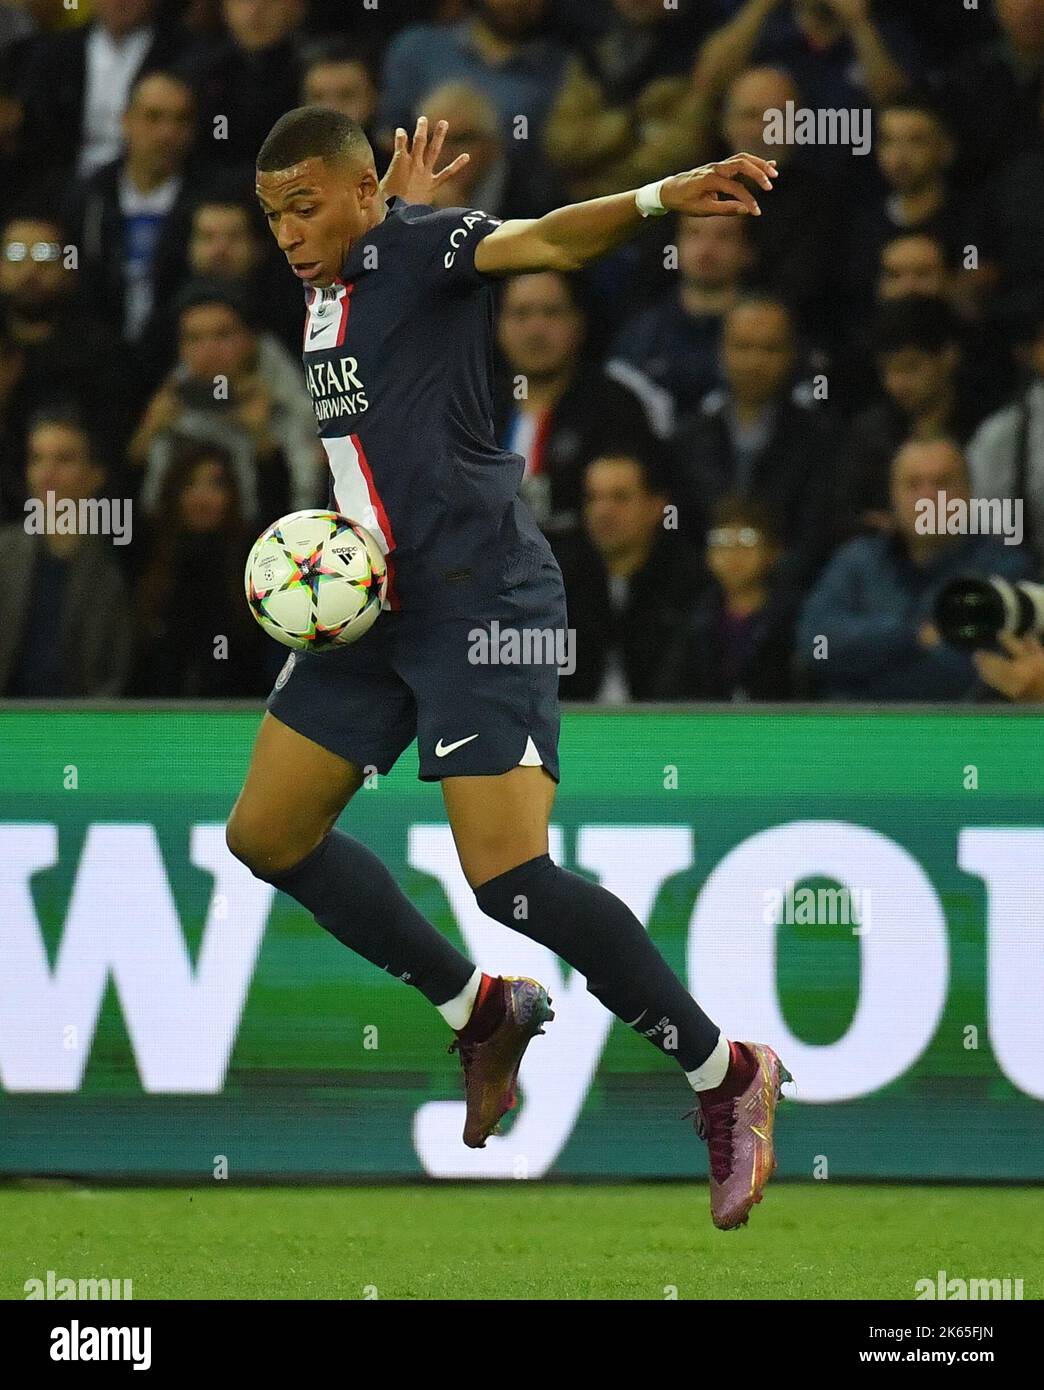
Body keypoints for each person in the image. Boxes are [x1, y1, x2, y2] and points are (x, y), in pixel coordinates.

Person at [231, 105, 790, 1231]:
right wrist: (394, 207)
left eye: (306, 206)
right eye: (273, 213)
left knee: (512, 879)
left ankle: (722, 1070)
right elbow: (394, 320)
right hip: (374, 607)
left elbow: (542, 241)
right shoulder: (338, 276)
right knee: (266, 837)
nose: (288, 231)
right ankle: (478, 1007)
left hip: (482, 602)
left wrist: (654, 197)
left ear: (355, 195)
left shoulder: (414, 249)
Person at [796, 438, 1036, 701]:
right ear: (892, 496)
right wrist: (914, 635)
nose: (928, 496)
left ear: (968, 493)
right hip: (855, 734)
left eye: (942, 483)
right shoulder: (856, 560)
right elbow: (816, 644)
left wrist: (861, 669)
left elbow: (976, 676)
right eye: (913, 484)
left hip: (960, 733)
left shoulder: (1005, 569)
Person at [493, 270, 664, 540]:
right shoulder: (475, 407)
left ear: (579, 322)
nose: (536, 330)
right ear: (498, 325)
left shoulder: (616, 408)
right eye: (521, 314)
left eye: (551, 313)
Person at [0, 410, 132, 696]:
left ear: (95, 475)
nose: (47, 473)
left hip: (81, 728)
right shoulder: (5, 555)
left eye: (64, 459)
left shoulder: (111, 569)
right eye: (37, 459)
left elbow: (113, 674)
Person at [553, 451, 704, 701]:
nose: (603, 510)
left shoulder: (690, 583)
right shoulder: (561, 581)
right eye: (593, 498)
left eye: (620, 497)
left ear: (656, 506)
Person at [132, 439, 269, 697]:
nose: (202, 497)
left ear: (232, 494)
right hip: (154, 716)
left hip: (239, 713)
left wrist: (264, 448)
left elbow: (277, 508)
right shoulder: (149, 557)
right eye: (190, 484)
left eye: (215, 484)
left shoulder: (251, 562)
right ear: (174, 493)